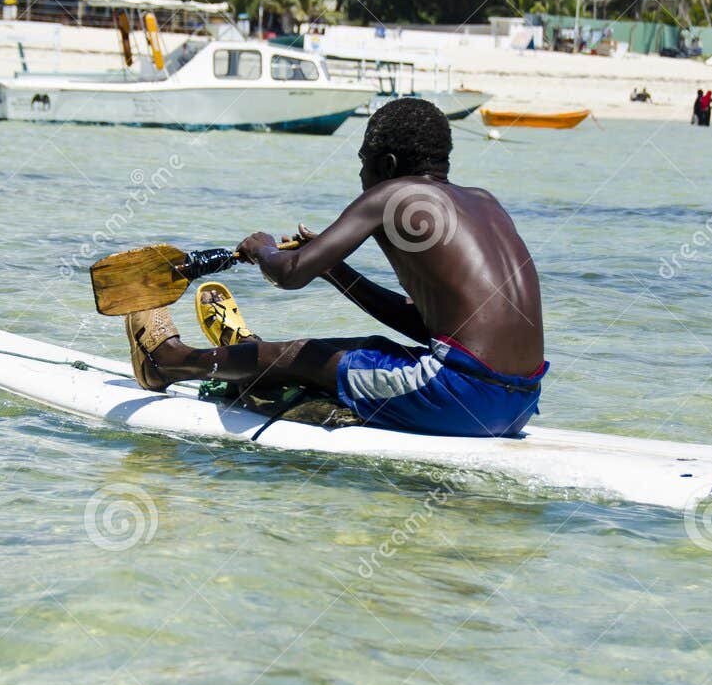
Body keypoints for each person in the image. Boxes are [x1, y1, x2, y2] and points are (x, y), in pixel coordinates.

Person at [123, 99, 547, 438]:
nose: (361, 173)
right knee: (365, 347)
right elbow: (430, 328)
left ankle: (165, 363)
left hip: (459, 399)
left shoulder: (390, 194)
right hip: (519, 404)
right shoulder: (486, 203)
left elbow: (289, 274)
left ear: (389, 165)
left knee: (302, 354)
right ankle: (256, 365)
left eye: (363, 161)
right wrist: (338, 273)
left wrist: (263, 248)